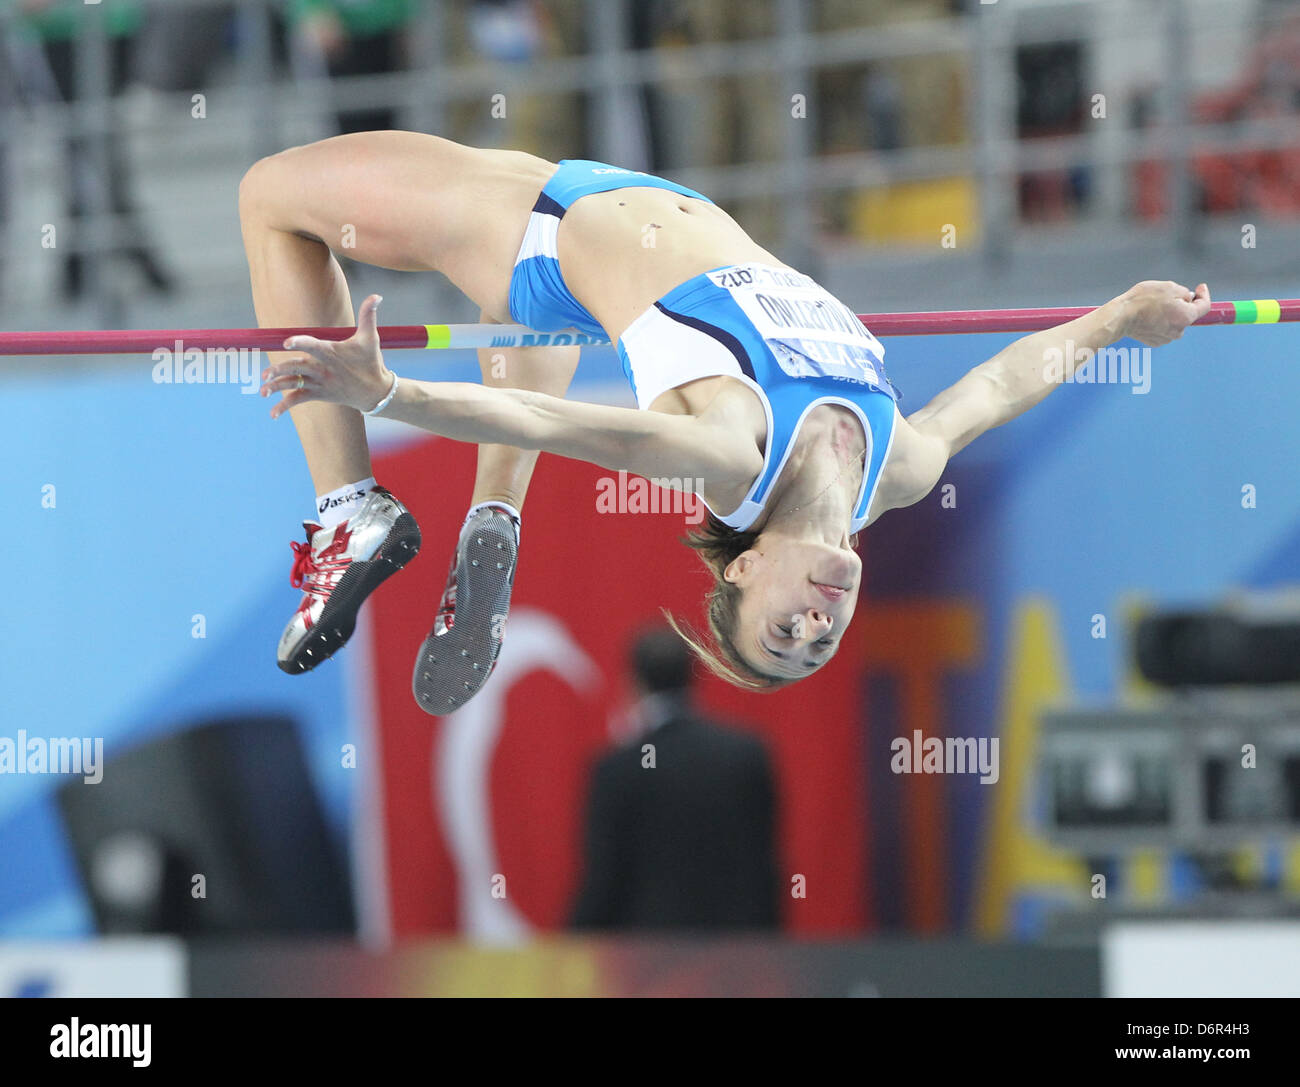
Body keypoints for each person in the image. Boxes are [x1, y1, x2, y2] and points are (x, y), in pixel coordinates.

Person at [237, 130, 1211, 711]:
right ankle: (495, 518)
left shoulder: (732, 455)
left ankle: (350, 504)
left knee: (270, 195)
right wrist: (1122, 316)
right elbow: (1003, 385)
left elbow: (550, 419)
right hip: (605, 250)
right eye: (818, 640)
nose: (815, 622)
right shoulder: (898, 468)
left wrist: (388, 395)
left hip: (541, 228)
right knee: (542, 318)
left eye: (782, 628)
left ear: (743, 567)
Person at [570, 626, 779, 931]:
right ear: (693, 677)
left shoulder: (618, 771)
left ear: (634, 682)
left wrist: (568, 950)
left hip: (651, 960)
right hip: (734, 955)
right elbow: (764, 870)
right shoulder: (745, 756)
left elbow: (605, 881)